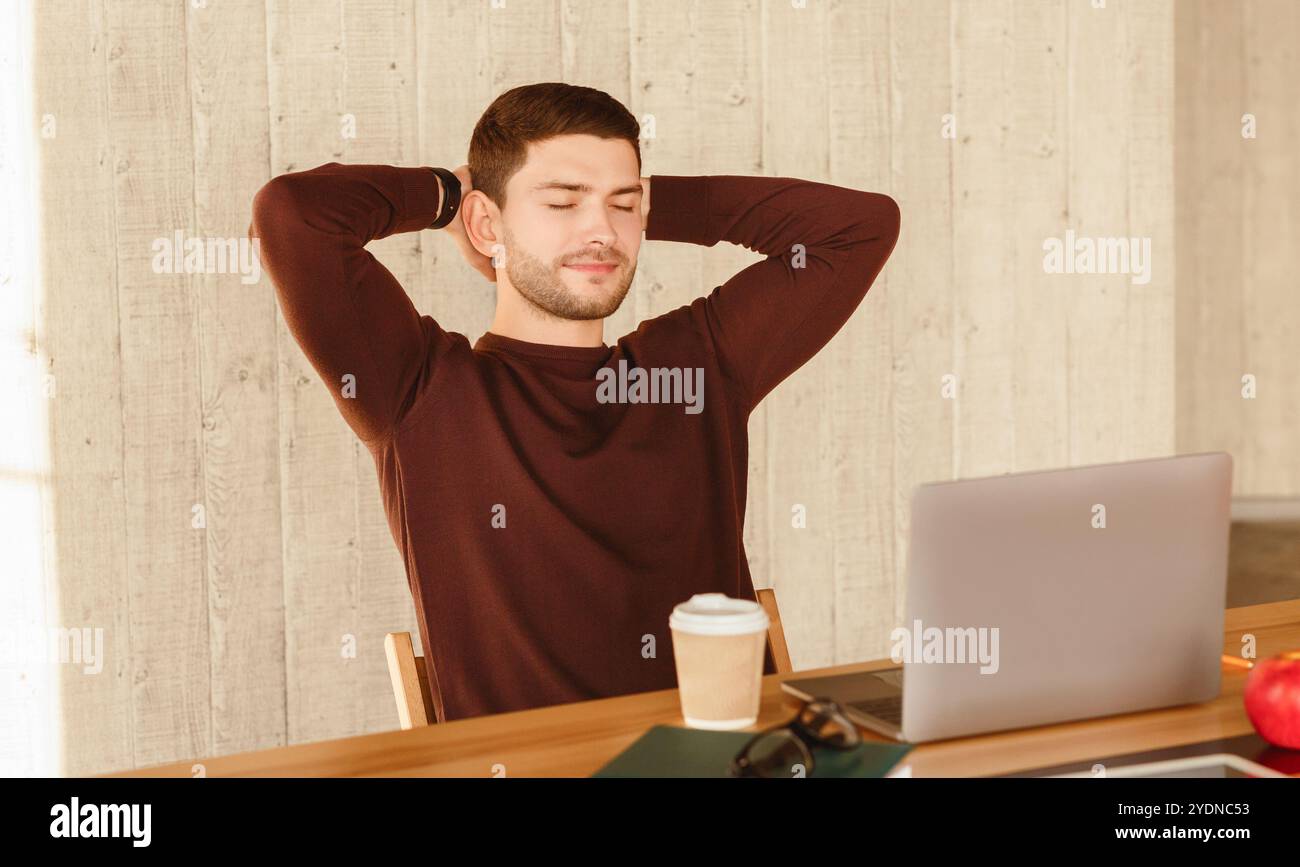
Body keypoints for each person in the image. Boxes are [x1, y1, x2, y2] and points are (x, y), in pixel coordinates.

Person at [249, 82, 900, 723]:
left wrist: (639, 203)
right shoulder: (418, 393)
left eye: (623, 204)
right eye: (563, 202)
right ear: (487, 222)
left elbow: (859, 227)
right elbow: (292, 212)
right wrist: (449, 196)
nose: (601, 232)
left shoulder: (698, 366)